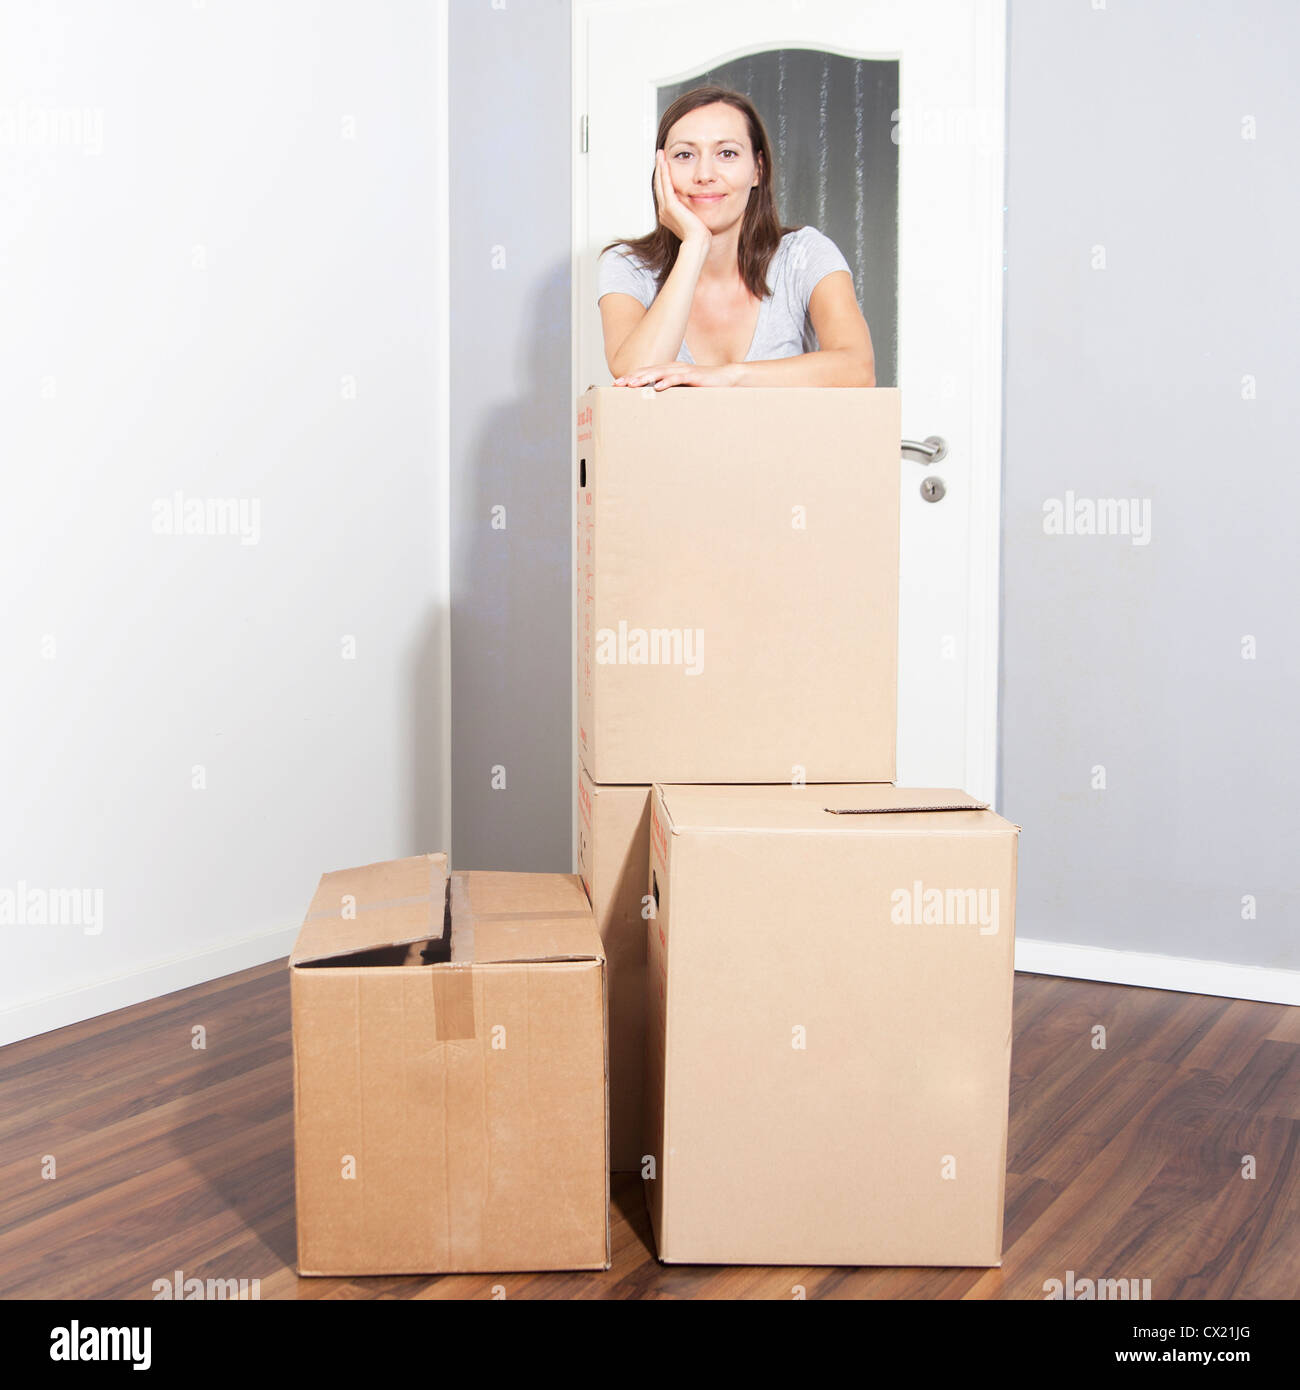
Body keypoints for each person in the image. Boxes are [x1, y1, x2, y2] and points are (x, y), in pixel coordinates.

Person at [596, 85, 876, 390]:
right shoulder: (627, 265)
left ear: (758, 169)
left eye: (726, 153)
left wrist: (728, 376)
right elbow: (636, 376)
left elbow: (858, 369)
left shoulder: (804, 255)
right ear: (661, 170)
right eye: (685, 154)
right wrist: (694, 245)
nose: (704, 174)